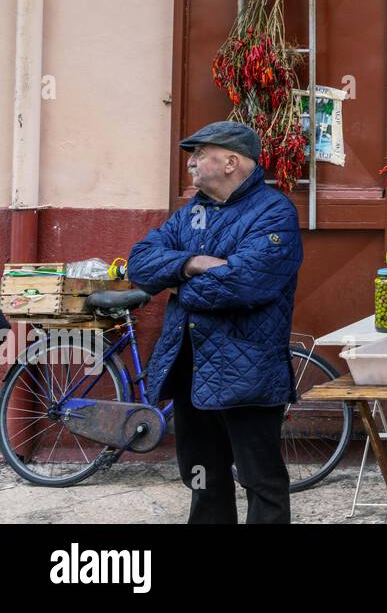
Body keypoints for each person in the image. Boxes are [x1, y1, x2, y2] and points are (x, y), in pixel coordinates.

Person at [128, 121, 303, 523]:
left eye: (199, 154)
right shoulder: (191, 214)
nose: (190, 164)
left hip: (248, 371)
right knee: (202, 476)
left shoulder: (274, 212)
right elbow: (140, 263)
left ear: (231, 162)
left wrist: (177, 287)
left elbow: (245, 283)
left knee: (261, 479)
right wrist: (191, 263)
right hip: (191, 370)